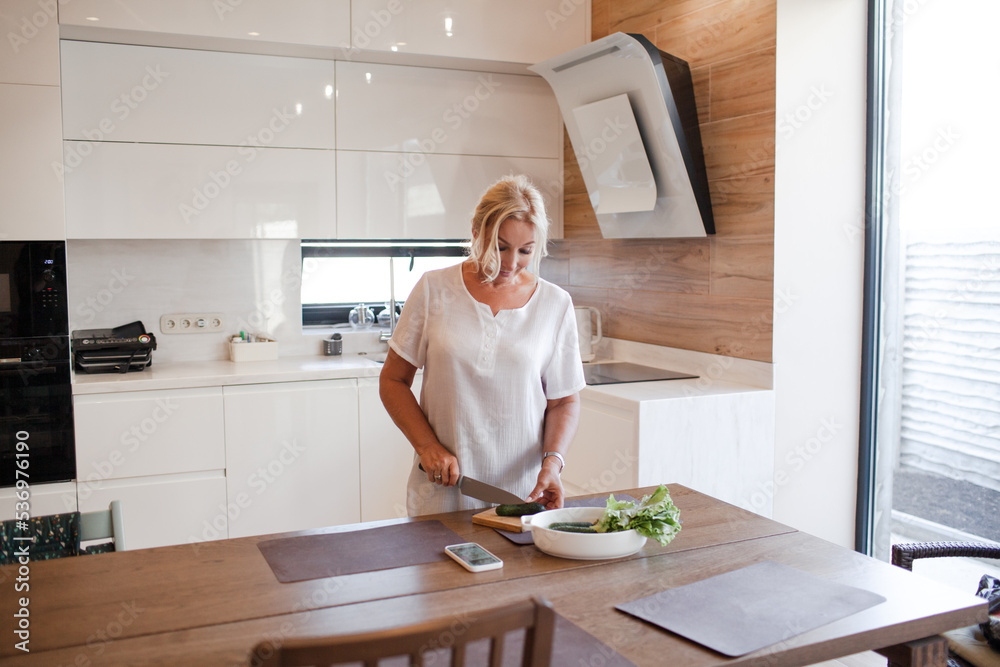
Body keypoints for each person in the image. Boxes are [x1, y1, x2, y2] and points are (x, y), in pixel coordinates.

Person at [379, 174, 586, 516]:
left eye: (525, 251)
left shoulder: (555, 303)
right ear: (476, 230)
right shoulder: (434, 289)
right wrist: (427, 446)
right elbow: (393, 380)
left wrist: (553, 464)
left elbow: (564, 402)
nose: (511, 262)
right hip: (442, 491)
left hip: (522, 495)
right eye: (501, 246)